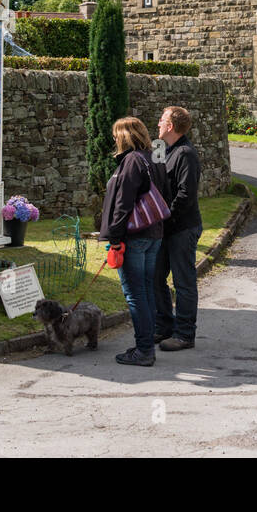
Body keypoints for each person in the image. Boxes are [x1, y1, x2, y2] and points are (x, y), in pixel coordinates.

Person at [97, 117, 166, 366]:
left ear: (126, 136)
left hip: (134, 237)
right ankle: (146, 344)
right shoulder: (152, 158)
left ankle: (144, 350)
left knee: (136, 295)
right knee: (146, 292)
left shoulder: (131, 161)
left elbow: (122, 204)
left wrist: (114, 239)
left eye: (117, 134)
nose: (114, 138)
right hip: (153, 233)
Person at [153, 105, 203, 351]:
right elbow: (154, 182)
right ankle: (163, 327)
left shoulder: (186, 154)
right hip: (162, 227)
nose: (158, 124)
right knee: (154, 277)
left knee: (183, 281)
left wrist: (164, 217)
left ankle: (184, 334)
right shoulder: (161, 148)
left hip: (181, 227)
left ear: (171, 126)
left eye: (162, 121)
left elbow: (186, 195)